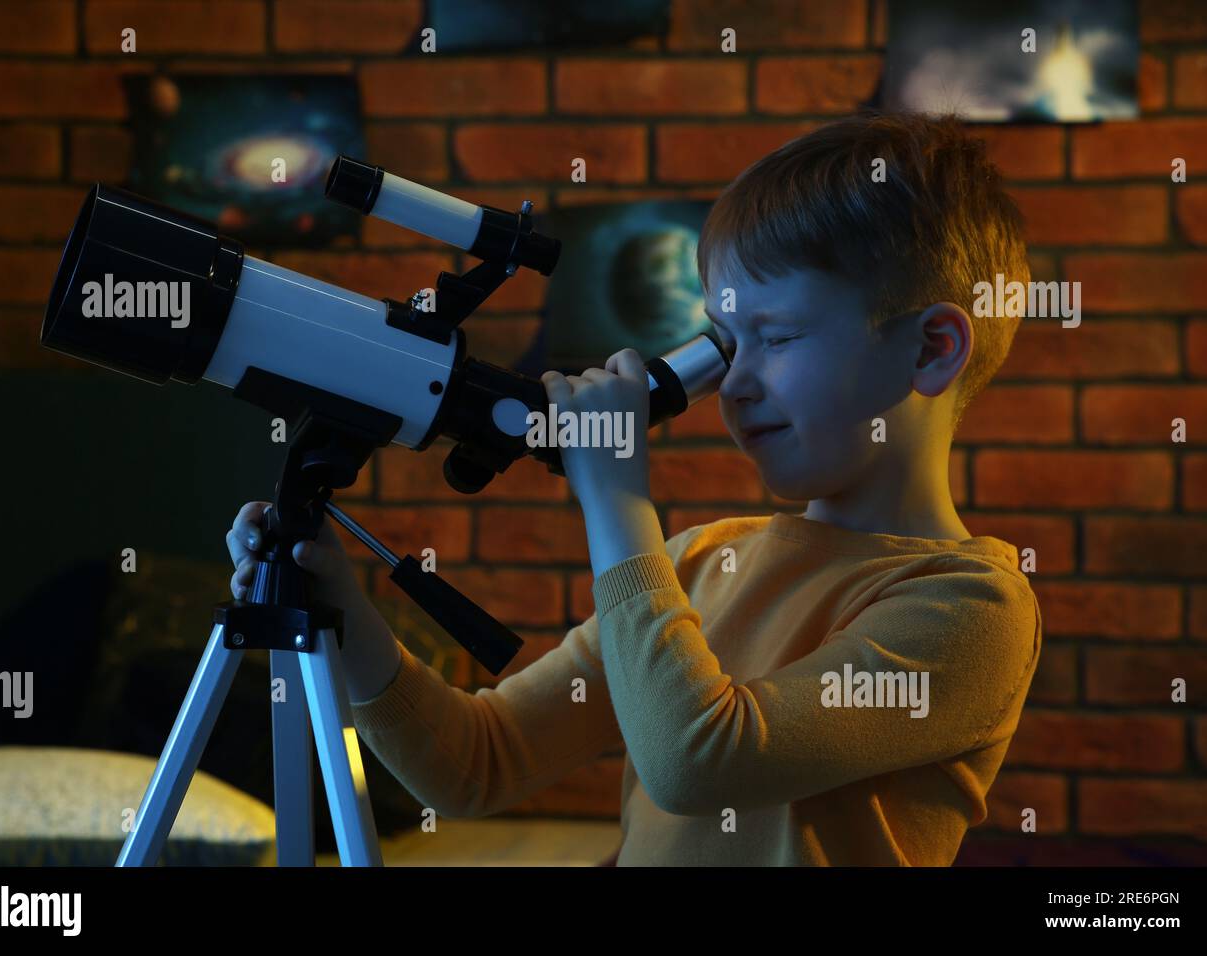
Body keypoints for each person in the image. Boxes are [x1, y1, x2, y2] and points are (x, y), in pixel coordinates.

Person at [226, 111, 1042, 866]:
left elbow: (699, 760)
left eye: (779, 336)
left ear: (932, 348)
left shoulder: (970, 608)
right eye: (725, 343)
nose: (734, 384)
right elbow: (477, 765)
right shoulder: (697, 563)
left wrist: (616, 502)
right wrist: (343, 610)